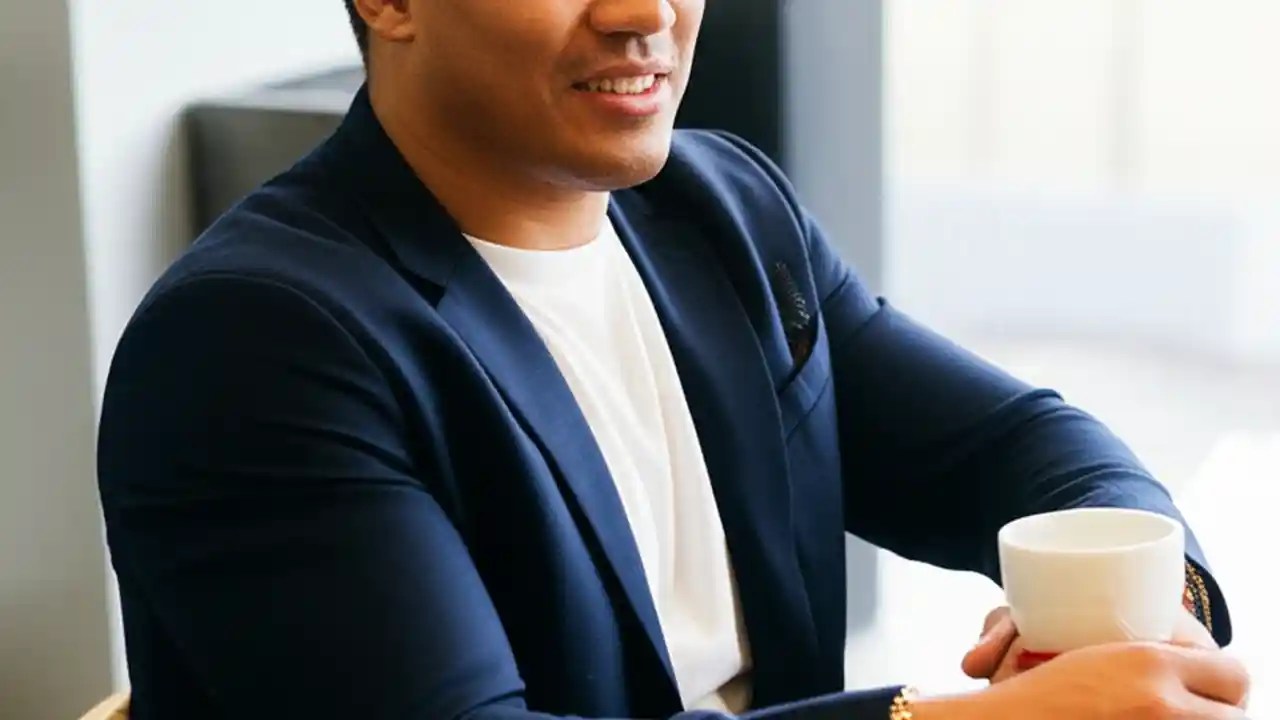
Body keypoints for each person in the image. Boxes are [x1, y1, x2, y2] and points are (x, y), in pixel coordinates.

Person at [96, 1, 1250, 718]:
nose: (645, 11)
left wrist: (1144, 614)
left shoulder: (720, 210)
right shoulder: (255, 341)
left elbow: (1020, 449)